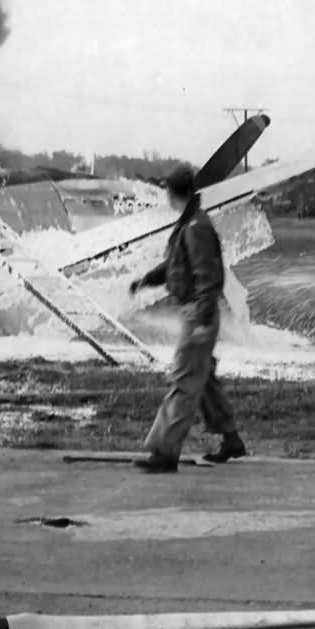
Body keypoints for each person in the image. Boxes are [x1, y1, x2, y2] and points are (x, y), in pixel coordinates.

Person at [127, 165, 246, 472]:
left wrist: (204, 319)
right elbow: (174, 266)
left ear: (171, 193)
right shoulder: (190, 223)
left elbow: (208, 276)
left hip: (198, 313)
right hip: (198, 311)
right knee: (203, 379)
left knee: (183, 381)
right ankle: (231, 440)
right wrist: (145, 280)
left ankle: (164, 453)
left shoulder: (195, 227)